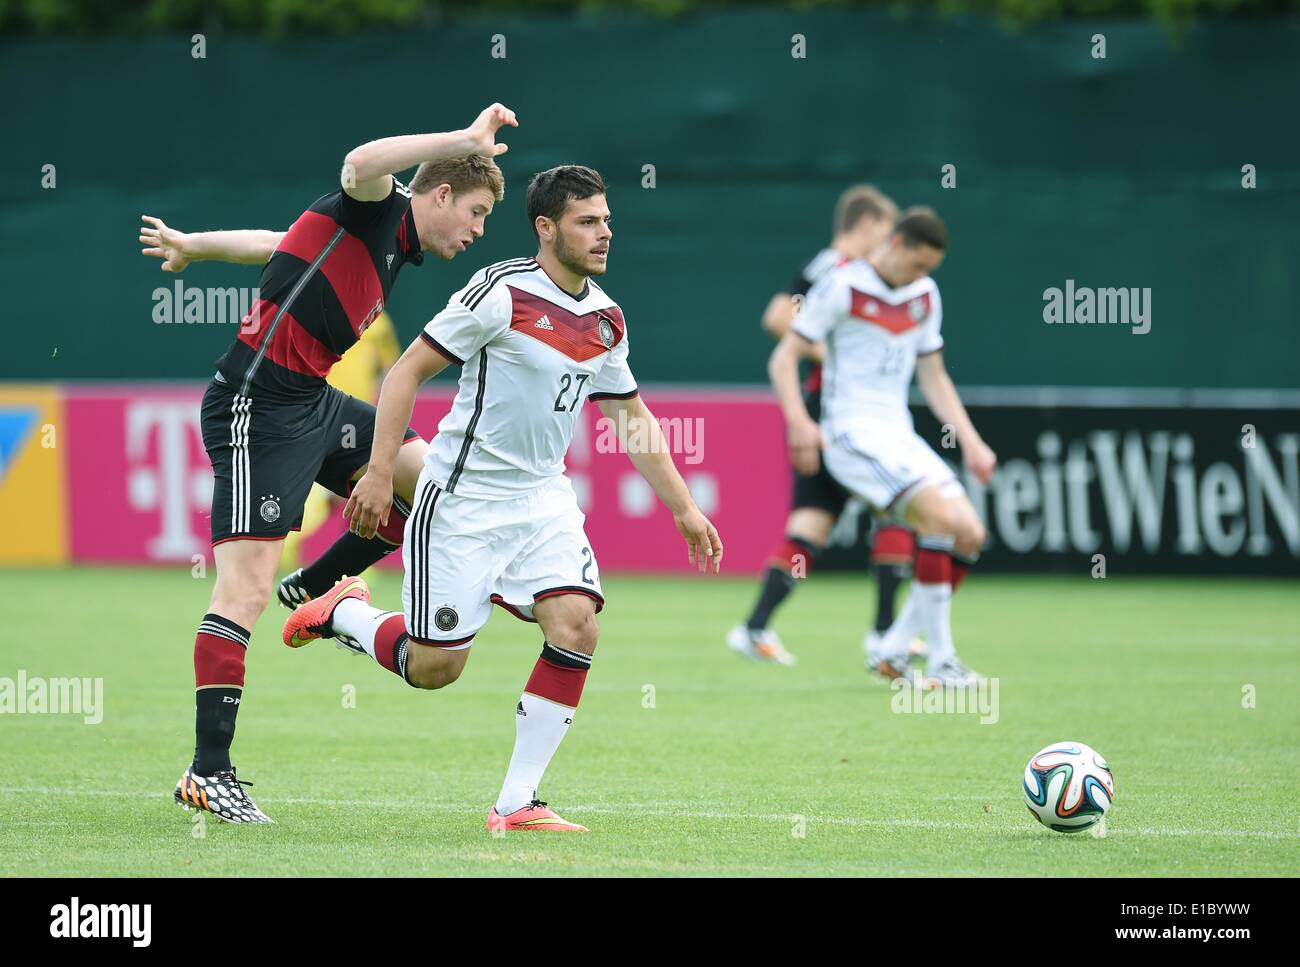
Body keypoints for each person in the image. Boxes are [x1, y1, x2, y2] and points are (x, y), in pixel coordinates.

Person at [282, 165, 724, 831]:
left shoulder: (606, 318)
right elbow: (405, 372)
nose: (605, 231)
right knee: (436, 668)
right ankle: (342, 612)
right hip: (462, 499)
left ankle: (517, 801)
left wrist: (685, 509)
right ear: (546, 228)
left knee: (577, 622)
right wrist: (378, 472)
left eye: (606, 219)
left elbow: (631, 418)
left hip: (543, 500)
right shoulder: (501, 292)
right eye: (587, 221)